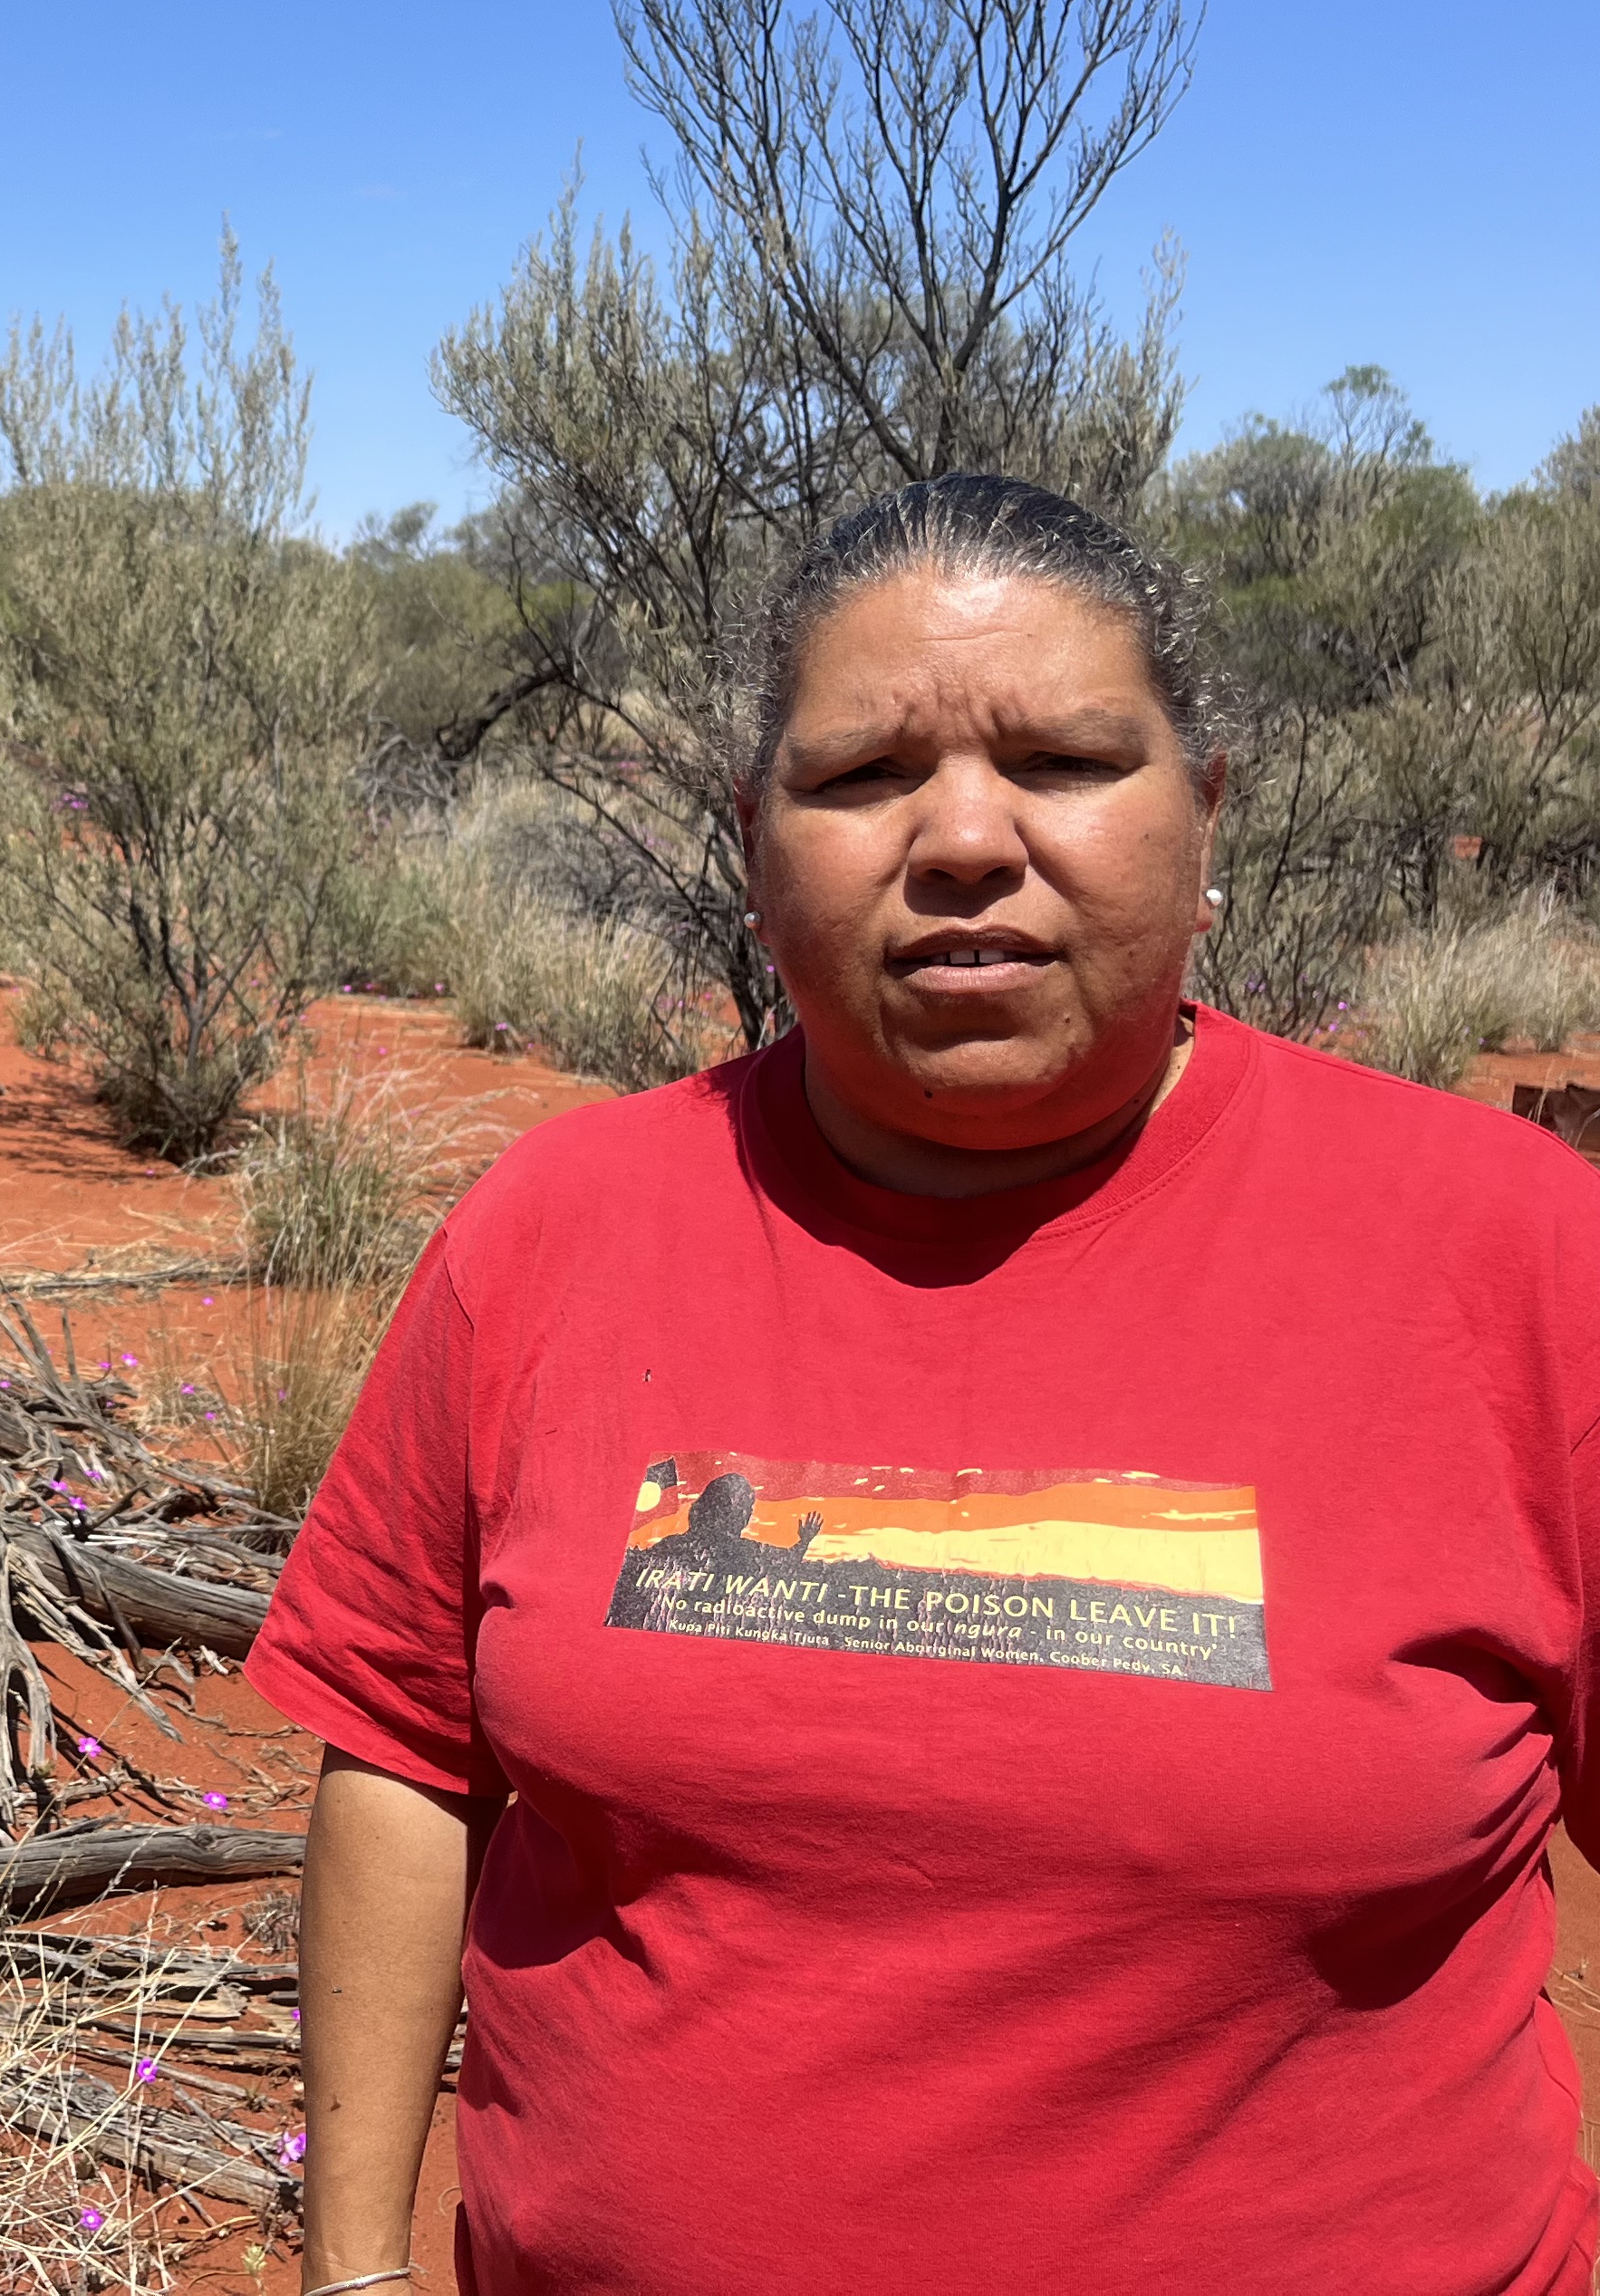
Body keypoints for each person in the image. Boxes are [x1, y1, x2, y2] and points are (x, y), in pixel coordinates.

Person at [248, 474, 1600, 2296]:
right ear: (751, 840)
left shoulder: (1519, 1260)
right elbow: (406, 1753)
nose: (963, 836)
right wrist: (353, 2272)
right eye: (864, 774)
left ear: (1209, 820)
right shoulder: (555, 1233)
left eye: (1063, 758)